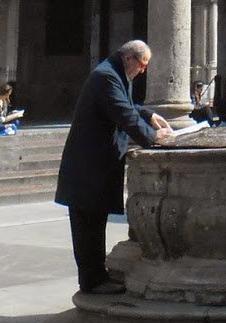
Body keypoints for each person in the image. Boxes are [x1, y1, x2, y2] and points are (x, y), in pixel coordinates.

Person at [54, 40, 173, 295]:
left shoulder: (114, 73)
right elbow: (121, 112)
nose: (143, 71)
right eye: (143, 65)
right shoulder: (106, 76)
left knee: (94, 222)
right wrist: (152, 138)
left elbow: (127, 106)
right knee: (88, 225)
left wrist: (148, 114)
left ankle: (95, 277)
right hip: (88, 166)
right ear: (129, 58)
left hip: (92, 165)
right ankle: (92, 280)